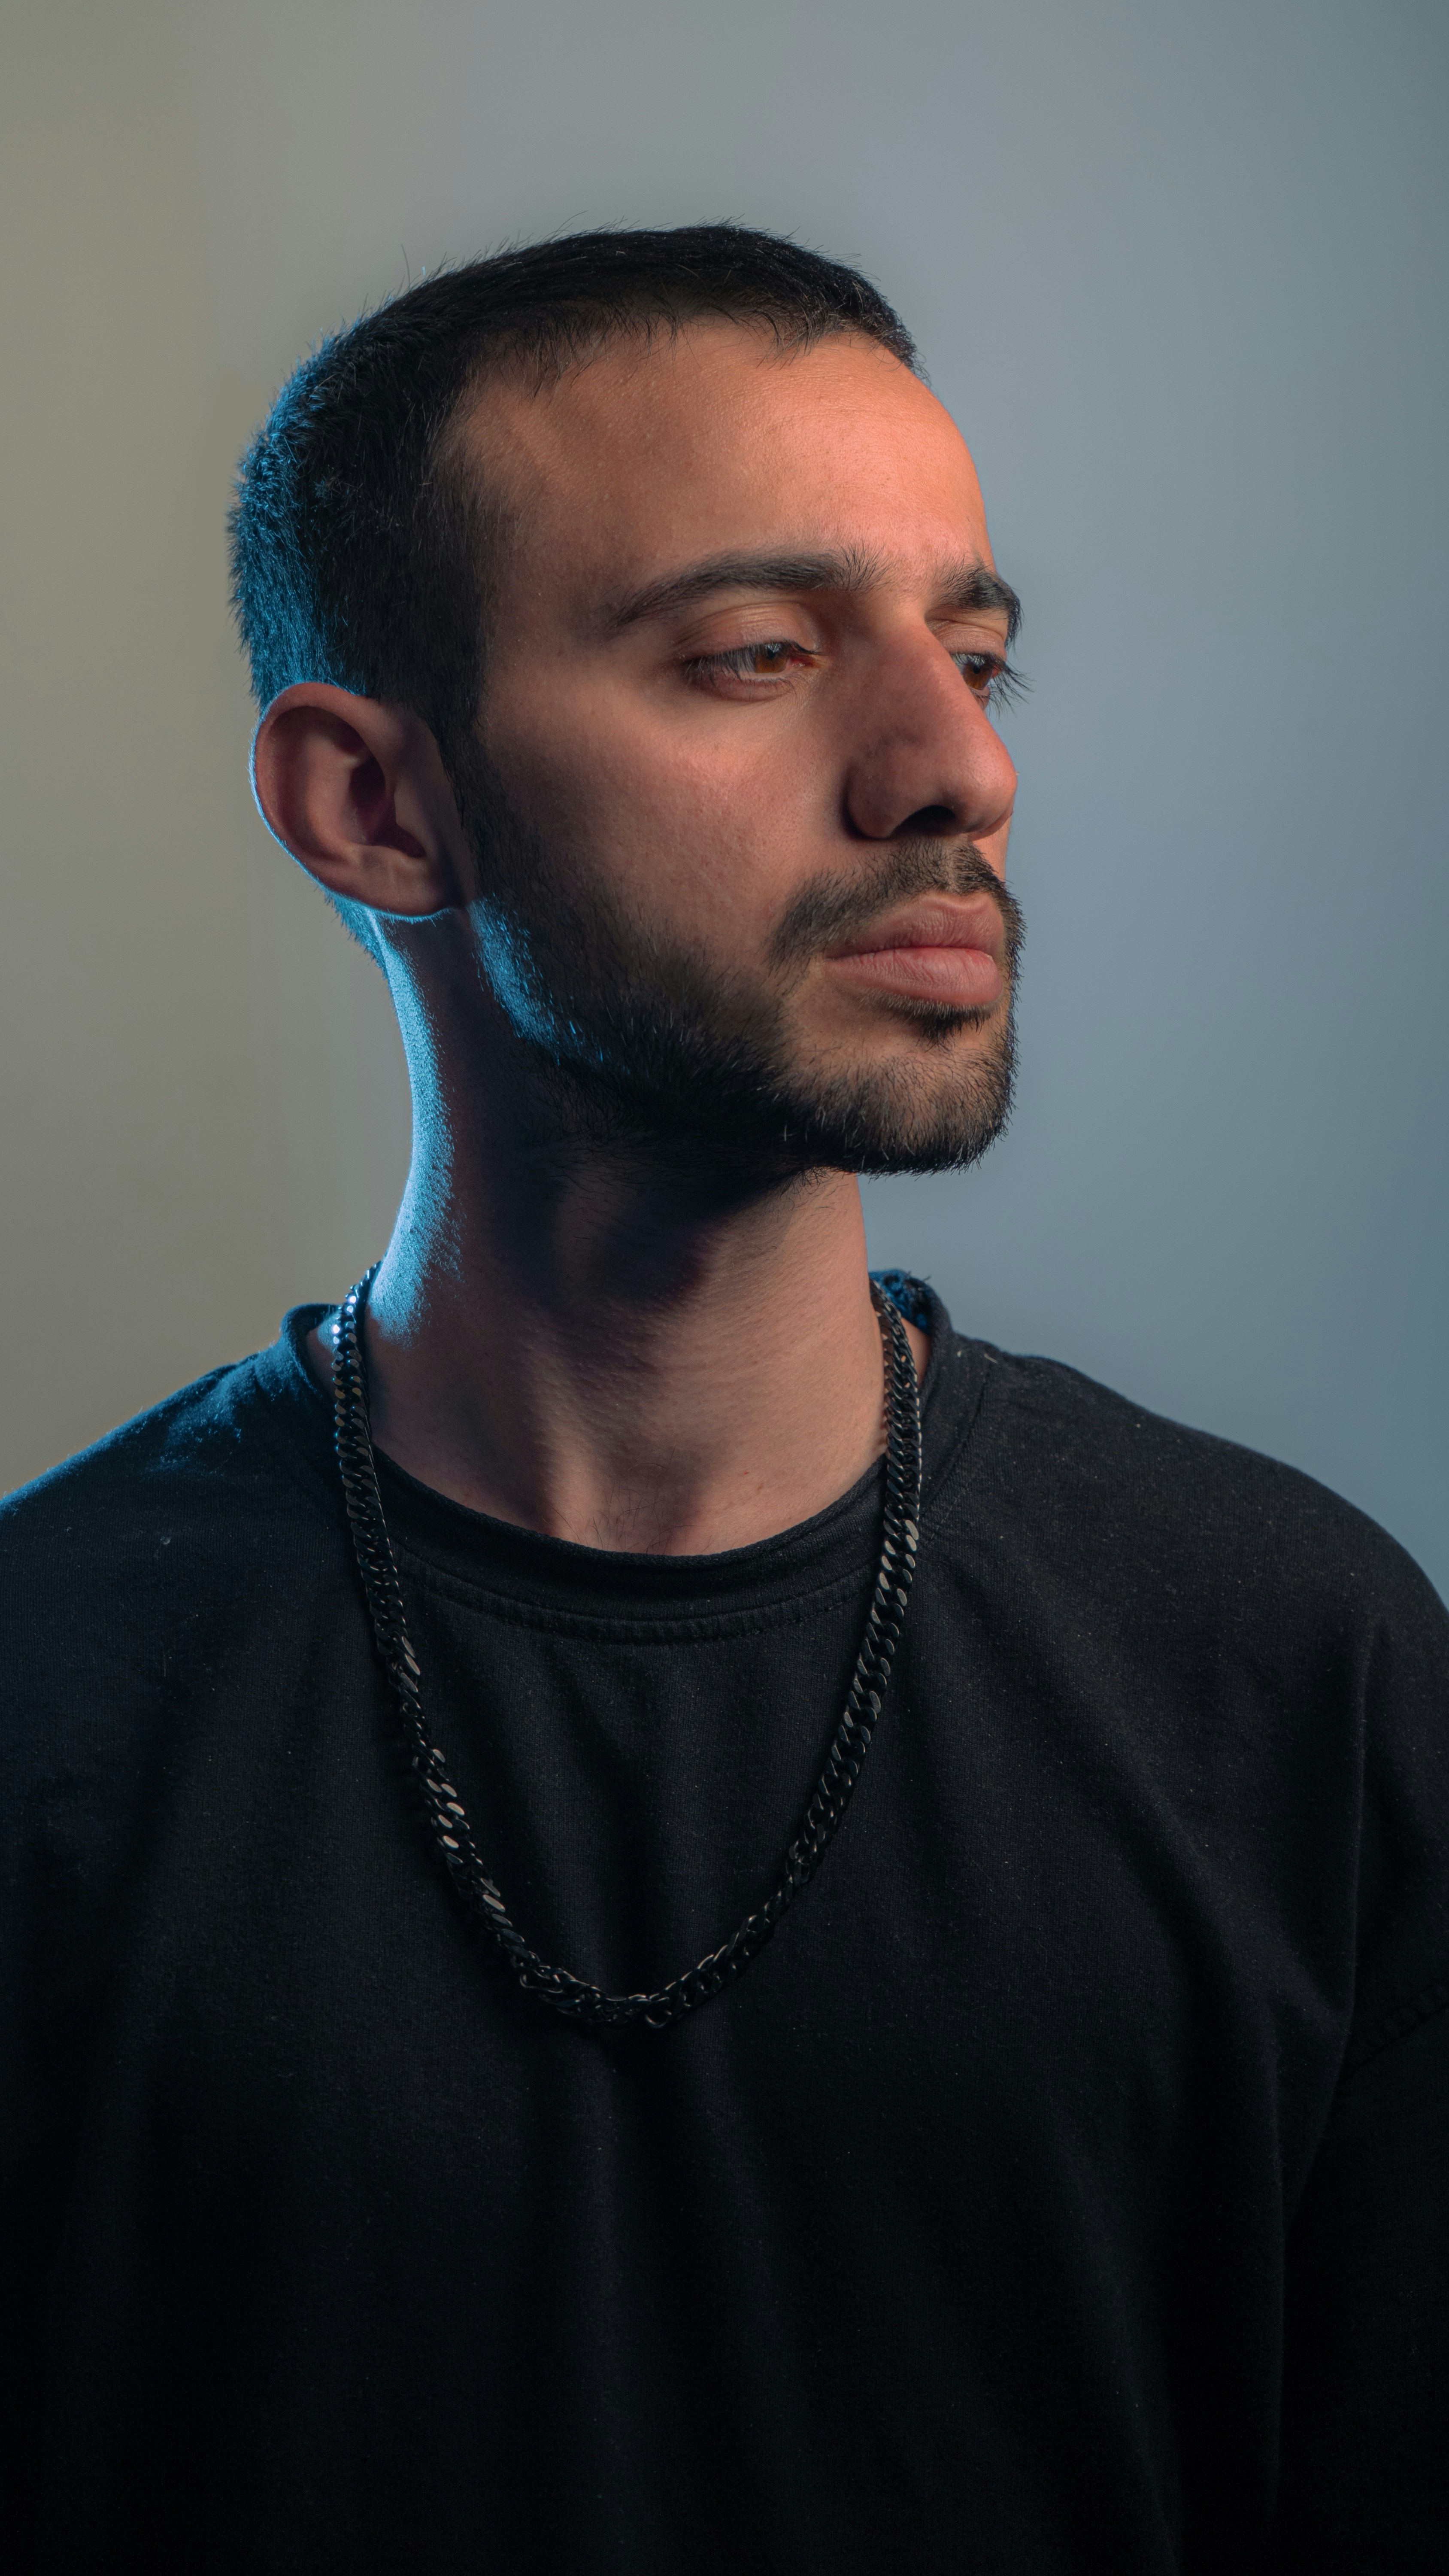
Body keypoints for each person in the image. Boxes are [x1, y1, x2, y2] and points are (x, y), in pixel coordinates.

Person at [1, 224, 1444, 2576]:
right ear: (377, 805)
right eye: (757, 656)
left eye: (974, 653)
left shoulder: (1298, 1670)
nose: (956, 766)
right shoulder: (47, 1704)